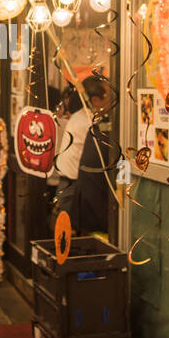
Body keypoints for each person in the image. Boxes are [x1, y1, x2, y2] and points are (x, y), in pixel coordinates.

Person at [55, 75, 112, 234]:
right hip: (72, 189)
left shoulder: (83, 116)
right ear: (95, 101)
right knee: (72, 240)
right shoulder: (87, 123)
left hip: (72, 186)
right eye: (109, 95)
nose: (115, 99)